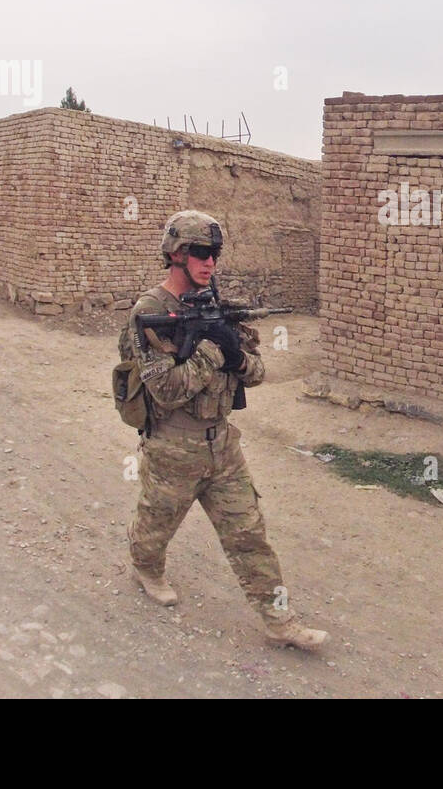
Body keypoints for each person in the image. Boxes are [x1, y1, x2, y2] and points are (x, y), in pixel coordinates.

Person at [119, 210, 327, 652]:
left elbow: (256, 373)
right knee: (156, 527)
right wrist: (214, 350)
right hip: (173, 447)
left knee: (249, 535)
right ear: (175, 255)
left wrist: (236, 356)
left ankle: (279, 620)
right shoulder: (150, 313)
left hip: (223, 446)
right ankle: (146, 568)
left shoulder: (216, 308)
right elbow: (166, 389)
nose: (209, 262)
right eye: (200, 252)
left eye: (214, 253)